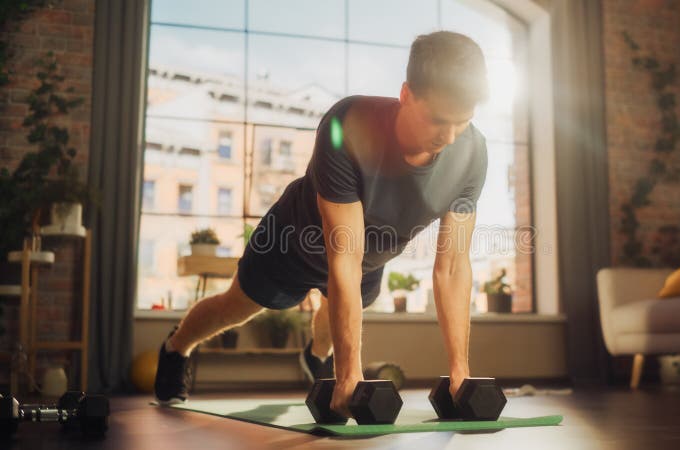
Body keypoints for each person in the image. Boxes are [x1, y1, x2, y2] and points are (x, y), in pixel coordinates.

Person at [155, 30, 489, 419]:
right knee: (235, 307)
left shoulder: (471, 154)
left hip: (367, 258)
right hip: (292, 242)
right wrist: (350, 375)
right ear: (406, 95)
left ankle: (316, 357)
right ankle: (176, 347)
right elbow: (343, 257)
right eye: (438, 120)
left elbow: (451, 268)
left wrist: (460, 372)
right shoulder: (347, 125)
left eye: (462, 122)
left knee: (332, 328)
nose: (449, 137)